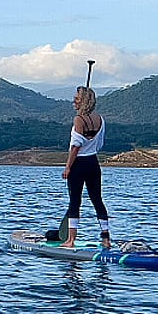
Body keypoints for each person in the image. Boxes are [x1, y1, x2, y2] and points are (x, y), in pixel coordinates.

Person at [61, 85, 110, 248]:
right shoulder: (100, 119)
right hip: (93, 163)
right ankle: (106, 238)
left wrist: (68, 167)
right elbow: (99, 143)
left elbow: (75, 146)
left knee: (75, 201)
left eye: (77, 98)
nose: (74, 101)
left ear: (84, 101)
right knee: (97, 200)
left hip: (79, 163)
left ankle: (71, 240)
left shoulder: (78, 120)